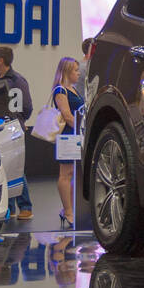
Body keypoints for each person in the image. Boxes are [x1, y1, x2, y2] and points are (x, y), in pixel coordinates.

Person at [0, 46, 34, 220]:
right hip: (0, 130)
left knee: (16, 168)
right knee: (6, 168)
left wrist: (19, 121)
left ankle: (26, 206)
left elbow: (27, 106)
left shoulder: (17, 81)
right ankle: (10, 207)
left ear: (1, 60)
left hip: (13, 130)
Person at [51, 57, 85, 228]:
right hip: (67, 136)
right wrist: (82, 128)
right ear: (67, 72)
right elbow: (67, 115)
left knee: (73, 174)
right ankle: (68, 211)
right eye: (75, 70)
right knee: (66, 174)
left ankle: (70, 209)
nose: (78, 73)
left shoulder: (73, 89)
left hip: (75, 135)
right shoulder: (60, 90)